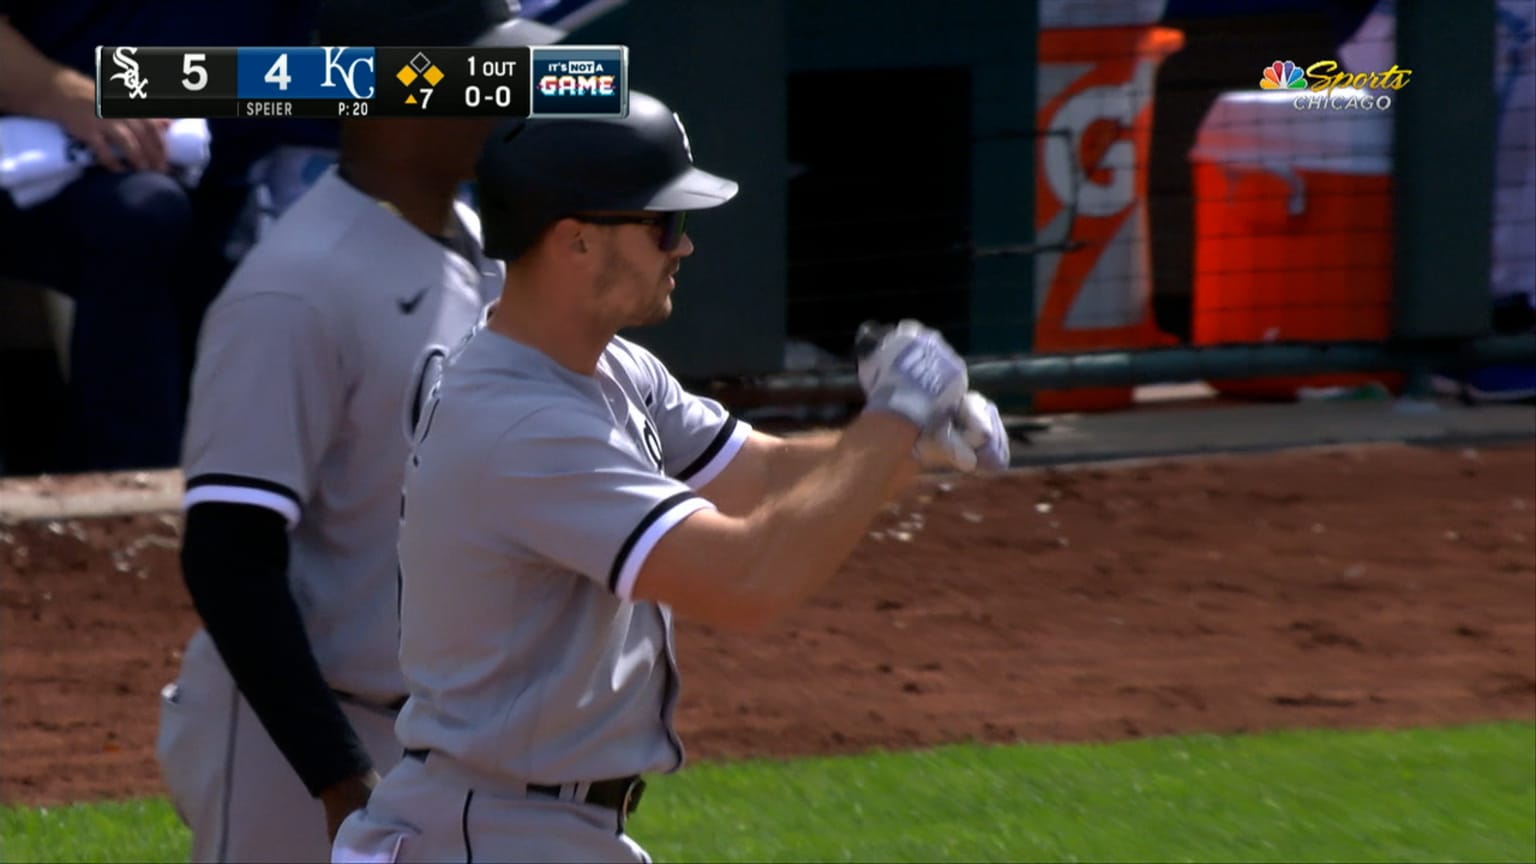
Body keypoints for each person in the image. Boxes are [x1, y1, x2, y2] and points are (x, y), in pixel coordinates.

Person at [331, 90, 1013, 864]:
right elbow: (747, 578)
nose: (682, 247)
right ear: (577, 242)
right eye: (664, 224)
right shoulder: (521, 425)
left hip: (533, 824)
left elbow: (759, 475)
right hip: (491, 831)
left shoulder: (609, 368)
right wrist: (893, 414)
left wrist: (913, 449)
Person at [155, 1, 564, 860]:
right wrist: (341, 781)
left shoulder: (487, 256)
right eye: (482, 74)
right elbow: (229, 553)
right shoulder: (294, 291)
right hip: (302, 748)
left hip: (453, 734)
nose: (509, 95)